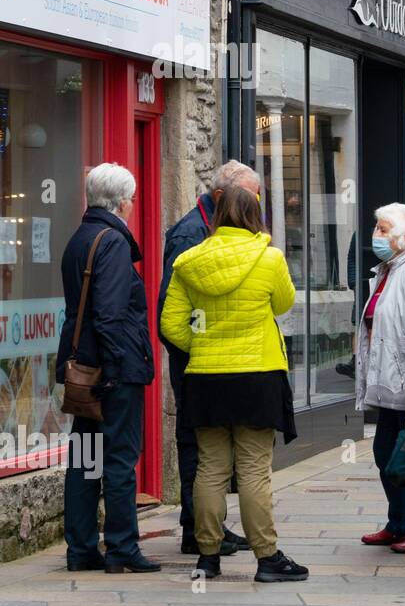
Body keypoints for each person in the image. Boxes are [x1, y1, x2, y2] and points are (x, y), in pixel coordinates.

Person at [160, 186, 308, 583]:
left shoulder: (189, 261)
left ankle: (207, 557)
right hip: (258, 375)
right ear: (254, 215)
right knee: (255, 470)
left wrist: (205, 343)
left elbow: (170, 324)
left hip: (206, 379)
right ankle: (267, 557)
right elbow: (283, 303)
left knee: (209, 468)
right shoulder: (269, 256)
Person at [58, 163, 160, 573]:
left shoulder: (80, 237)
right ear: (121, 202)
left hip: (82, 368)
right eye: (133, 199)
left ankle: (81, 549)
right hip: (110, 374)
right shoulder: (114, 242)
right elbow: (111, 314)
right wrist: (117, 372)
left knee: (85, 458)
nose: (134, 206)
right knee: (118, 459)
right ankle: (121, 548)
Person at [158, 159, 260, 557]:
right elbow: (173, 309)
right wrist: (199, 349)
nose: (256, 205)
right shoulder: (190, 234)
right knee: (195, 443)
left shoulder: (216, 226)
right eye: (251, 197)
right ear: (222, 196)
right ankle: (195, 529)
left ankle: (210, 526)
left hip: (216, 361)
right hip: (196, 364)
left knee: (214, 447)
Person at [355, 204, 405, 553]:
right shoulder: (382, 273)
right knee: (386, 454)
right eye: (377, 228)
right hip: (384, 383)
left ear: (403, 238)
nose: (376, 236)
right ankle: (399, 522)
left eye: (384, 230)